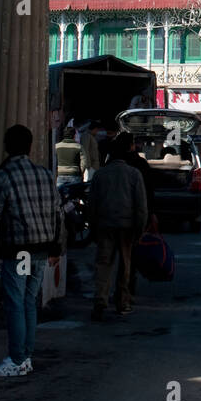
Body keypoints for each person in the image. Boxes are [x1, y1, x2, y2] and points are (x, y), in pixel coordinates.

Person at [0, 125, 64, 377]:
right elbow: (58, 213)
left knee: (15, 303)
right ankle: (25, 356)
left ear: (6, 146)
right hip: (41, 249)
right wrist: (57, 247)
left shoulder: (4, 176)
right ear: (29, 146)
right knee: (29, 303)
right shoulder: (46, 175)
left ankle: (16, 358)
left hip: (18, 250)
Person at [88, 134, 148, 318]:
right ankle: (122, 302)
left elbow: (92, 204)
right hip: (127, 227)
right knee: (125, 265)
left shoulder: (100, 175)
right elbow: (141, 207)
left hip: (105, 225)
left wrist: (92, 227)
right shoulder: (133, 174)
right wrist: (140, 229)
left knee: (103, 264)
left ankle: (100, 299)